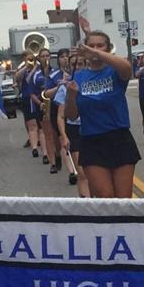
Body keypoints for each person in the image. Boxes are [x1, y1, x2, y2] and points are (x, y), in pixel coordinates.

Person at [64, 31, 139, 198]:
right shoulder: (79, 77)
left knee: (124, 199)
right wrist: (71, 96)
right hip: (92, 141)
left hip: (119, 138)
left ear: (108, 48)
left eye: (100, 45)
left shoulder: (114, 71)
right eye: (91, 45)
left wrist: (95, 52)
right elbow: (72, 115)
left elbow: (127, 68)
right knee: (105, 197)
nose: (95, 48)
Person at [56, 54, 89, 196]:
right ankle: (86, 202)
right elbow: (60, 115)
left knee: (94, 171)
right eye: (74, 64)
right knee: (82, 172)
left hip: (92, 128)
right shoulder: (65, 87)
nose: (77, 67)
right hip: (74, 130)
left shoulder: (92, 82)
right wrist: (64, 136)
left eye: (80, 64)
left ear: (86, 65)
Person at [15, 51, 42, 158]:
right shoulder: (24, 69)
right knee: (31, 123)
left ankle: (39, 140)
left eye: (32, 58)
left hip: (39, 97)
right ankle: (34, 144)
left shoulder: (40, 68)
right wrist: (27, 66)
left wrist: (37, 65)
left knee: (40, 124)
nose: (31, 60)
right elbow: (19, 78)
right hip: (28, 98)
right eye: (28, 58)